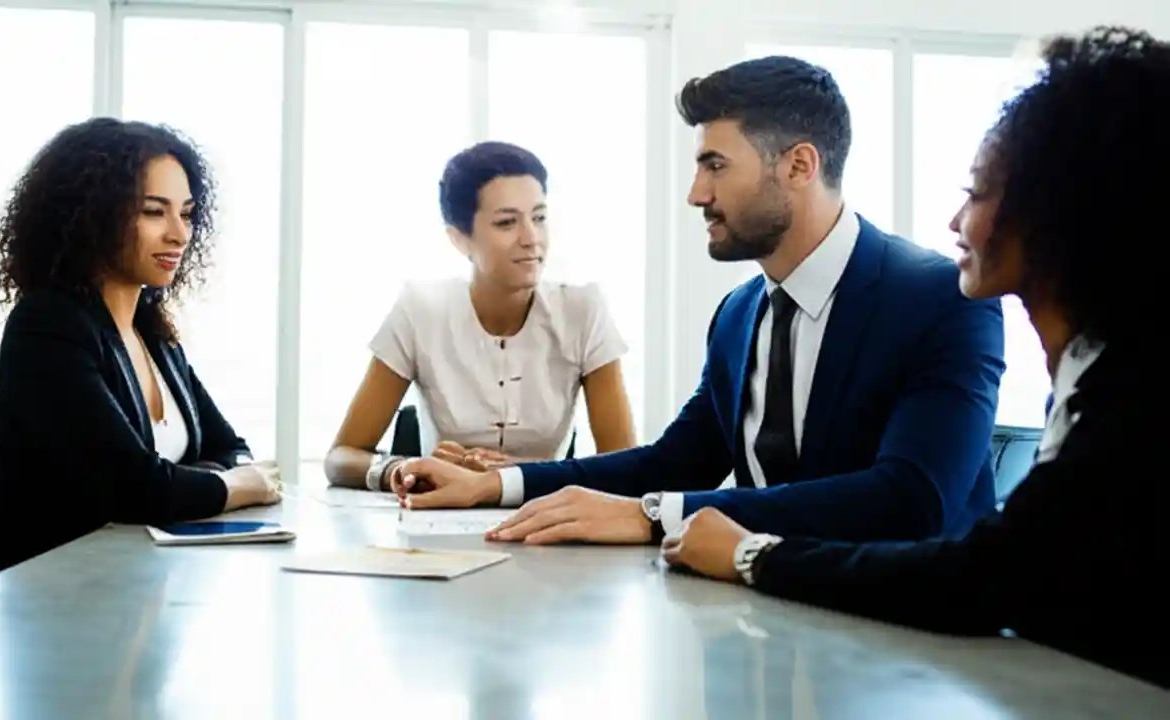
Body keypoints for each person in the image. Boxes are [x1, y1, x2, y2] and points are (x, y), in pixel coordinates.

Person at [663, 26, 1166, 689]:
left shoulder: (1137, 395)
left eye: (977, 192)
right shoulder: (1091, 376)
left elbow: (983, 572)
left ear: (1059, 212)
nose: (957, 221)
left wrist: (752, 554)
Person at [391, 57, 1006, 548]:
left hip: (909, 662)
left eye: (715, 166)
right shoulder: (739, 314)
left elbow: (912, 499)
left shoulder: (939, 299)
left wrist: (657, 516)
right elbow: (673, 462)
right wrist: (493, 485)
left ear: (798, 165)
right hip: (764, 622)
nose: (695, 194)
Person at [0, 118, 281, 593]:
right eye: (154, 212)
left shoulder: (153, 335)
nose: (179, 234)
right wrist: (236, 487)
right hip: (25, 593)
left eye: (187, 213)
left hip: (116, 587)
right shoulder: (49, 326)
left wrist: (183, 484)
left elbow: (228, 447)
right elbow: (135, 489)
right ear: (93, 216)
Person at [325, 141, 637, 491]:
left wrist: (520, 476)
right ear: (460, 239)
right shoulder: (420, 310)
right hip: (440, 521)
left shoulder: (583, 309)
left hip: (545, 516)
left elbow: (624, 464)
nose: (531, 238)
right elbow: (341, 457)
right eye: (506, 223)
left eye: (539, 218)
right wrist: (402, 468)